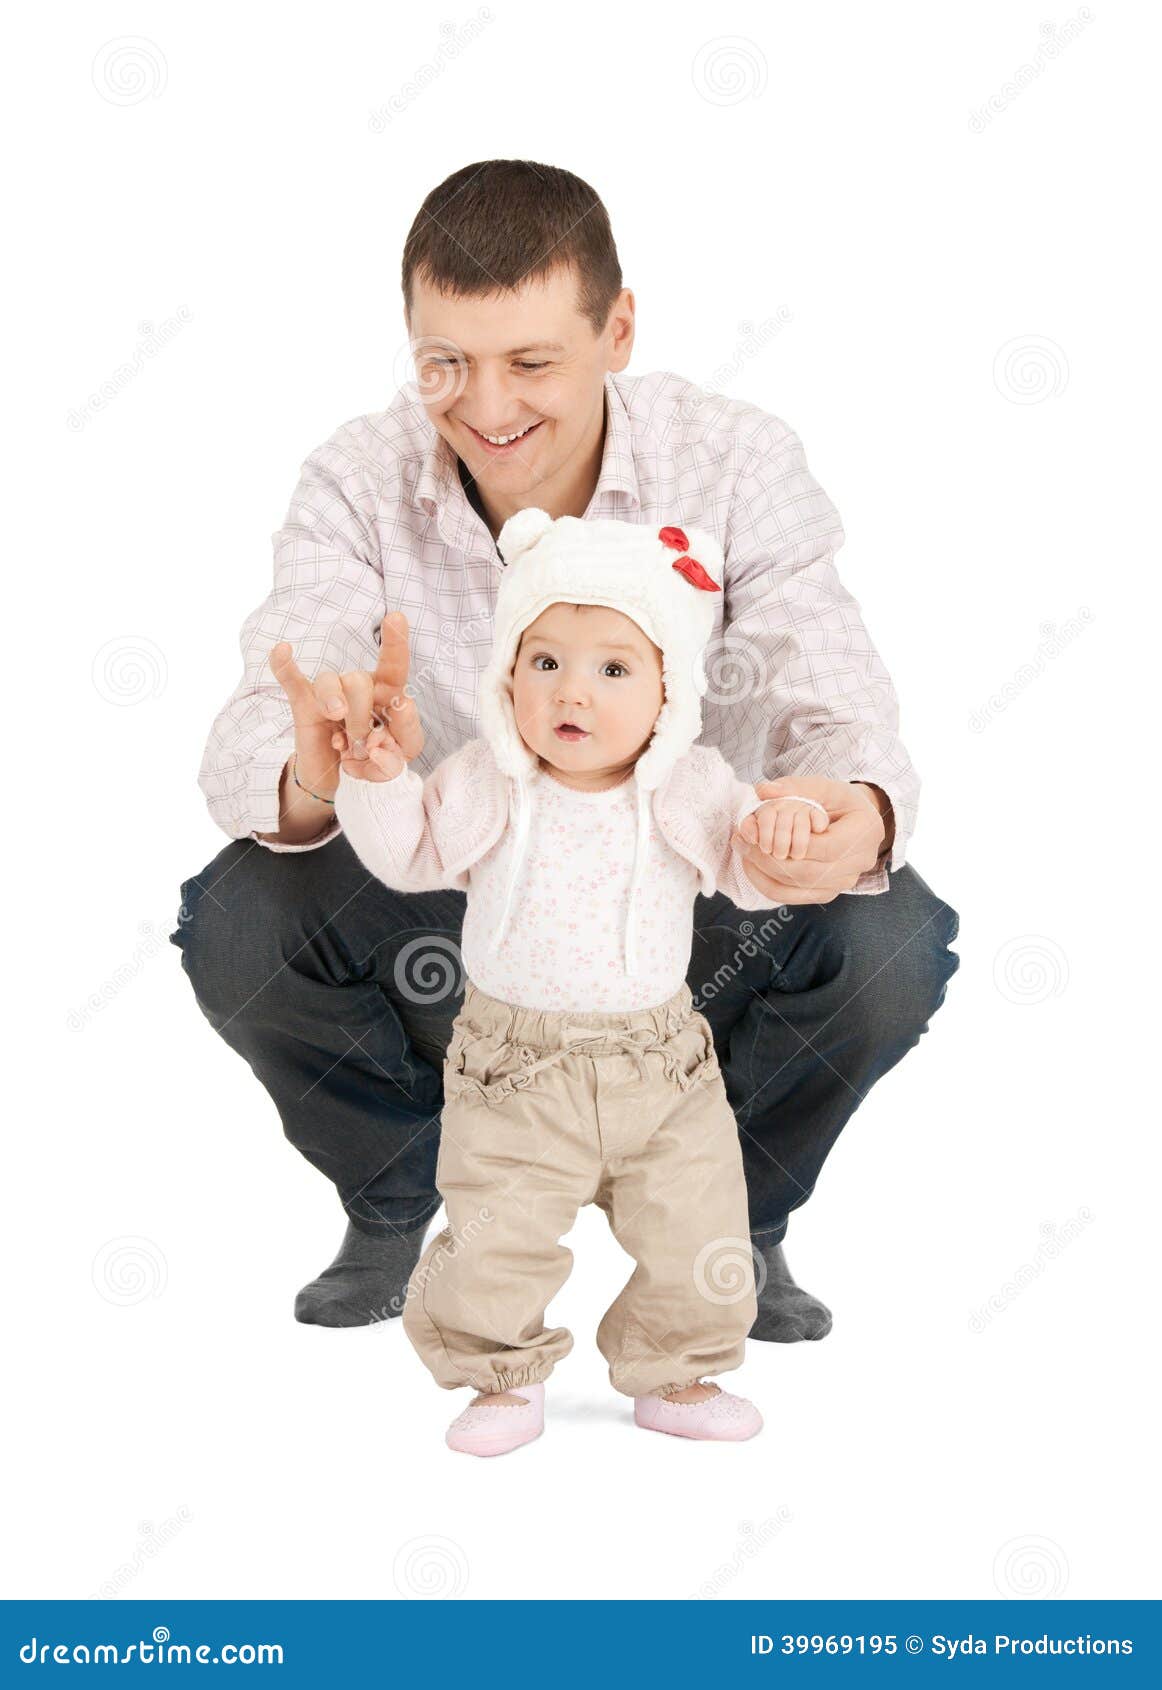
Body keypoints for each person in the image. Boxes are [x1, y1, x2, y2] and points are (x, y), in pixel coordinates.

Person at [168, 159, 960, 1337]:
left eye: (531, 362)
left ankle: (729, 1219)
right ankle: (400, 1193)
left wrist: (853, 807)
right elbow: (253, 731)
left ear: (616, 330)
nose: (484, 406)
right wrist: (321, 763)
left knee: (888, 937)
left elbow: (831, 689)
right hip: (466, 930)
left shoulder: (734, 459)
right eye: (445, 361)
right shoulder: (357, 477)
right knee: (240, 917)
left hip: (682, 926)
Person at [331, 506, 830, 1454]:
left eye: (614, 670)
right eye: (546, 661)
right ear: (508, 675)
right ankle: (499, 1376)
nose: (573, 692)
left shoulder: (693, 785)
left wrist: (783, 829)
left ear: (669, 691)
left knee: (699, 1228)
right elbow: (409, 855)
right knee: (495, 1236)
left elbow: (750, 872)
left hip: (663, 1068)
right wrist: (377, 777)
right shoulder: (488, 779)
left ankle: (677, 1370)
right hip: (514, 1068)